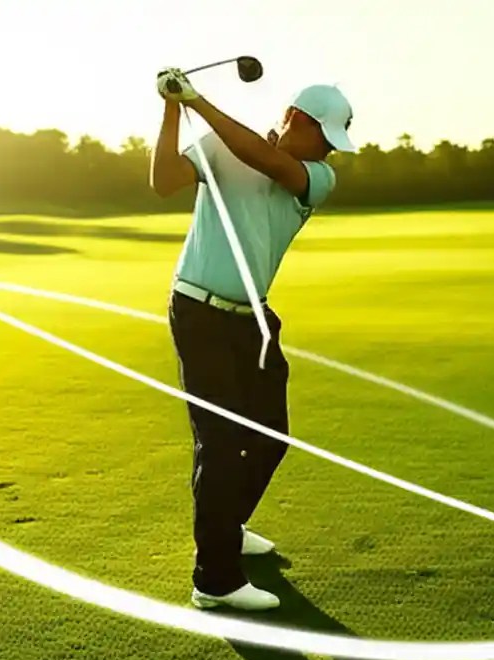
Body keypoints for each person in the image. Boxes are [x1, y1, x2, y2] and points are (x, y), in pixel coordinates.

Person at [150, 68, 355, 611]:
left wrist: (197, 101)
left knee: (271, 436)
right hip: (199, 311)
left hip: (253, 318)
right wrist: (172, 108)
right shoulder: (221, 145)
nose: (330, 152)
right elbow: (164, 180)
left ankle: (226, 527)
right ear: (294, 119)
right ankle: (214, 579)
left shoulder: (315, 177)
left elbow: (265, 160)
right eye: (325, 137)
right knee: (219, 443)